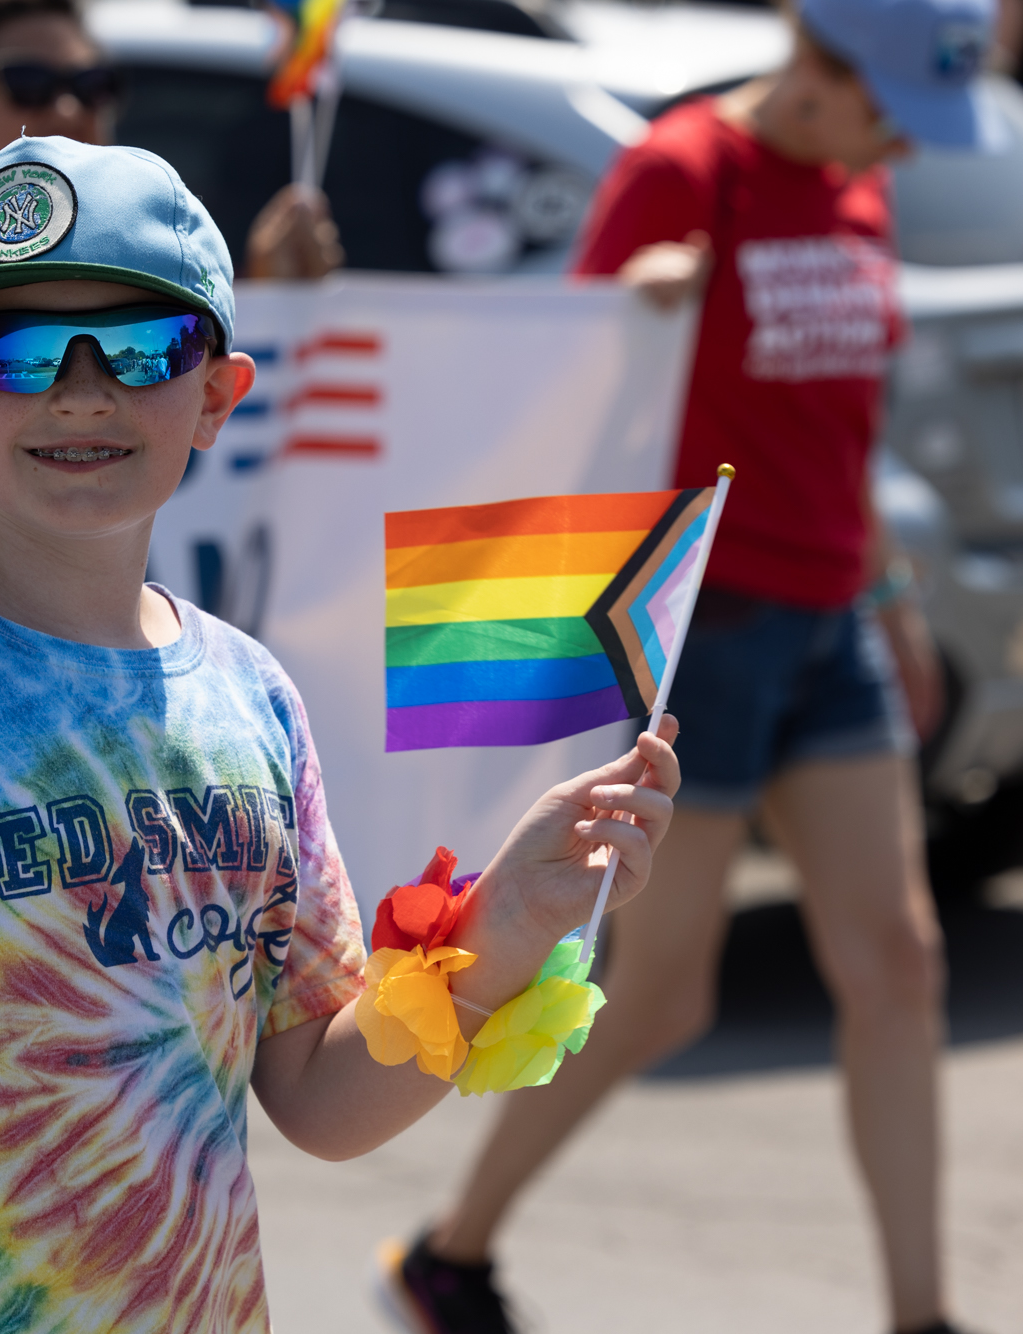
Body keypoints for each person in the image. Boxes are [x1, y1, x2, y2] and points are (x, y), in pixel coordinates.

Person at [0, 133, 680, 1334]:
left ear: (215, 394)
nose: (79, 392)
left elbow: (318, 1097)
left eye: (142, 348)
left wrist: (505, 922)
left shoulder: (252, 697)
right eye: (13, 352)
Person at [375, 0, 1001, 1331]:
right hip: (700, 631)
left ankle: (922, 1313)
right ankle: (448, 1255)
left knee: (899, 961)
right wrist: (626, 312)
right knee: (660, 995)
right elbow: (562, 386)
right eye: (889, 110)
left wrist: (892, 597)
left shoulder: (857, 186)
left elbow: (842, 428)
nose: (902, 146)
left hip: (835, 621)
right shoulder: (680, 170)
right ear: (817, 59)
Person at [0, 0, 342, 279]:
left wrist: (277, 306)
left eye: (92, 86)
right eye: (27, 83)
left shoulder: (157, 280)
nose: (69, 110)